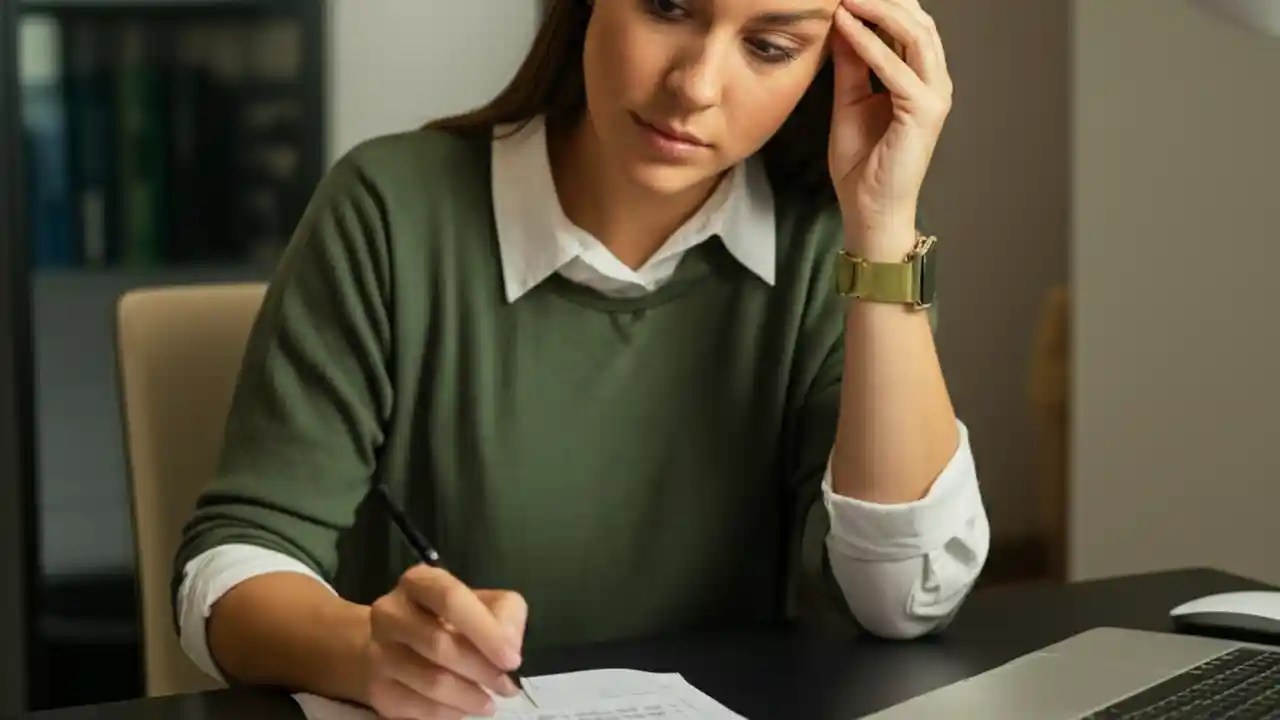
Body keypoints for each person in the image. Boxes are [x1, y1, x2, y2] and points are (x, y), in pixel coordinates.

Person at [174, 0, 989, 718]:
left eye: (770, 46)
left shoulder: (840, 249)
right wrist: (361, 649)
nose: (696, 86)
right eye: (667, 7)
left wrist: (883, 230)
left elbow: (905, 599)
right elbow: (238, 558)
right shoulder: (388, 208)